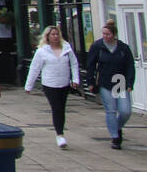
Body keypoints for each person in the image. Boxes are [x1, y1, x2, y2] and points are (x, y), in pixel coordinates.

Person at [23, 25, 79, 148]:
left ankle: (60, 132)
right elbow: (34, 68)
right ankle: (60, 135)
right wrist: (29, 86)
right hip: (50, 84)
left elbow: (74, 64)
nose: (55, 36)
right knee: (56, 107)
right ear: (47, 37)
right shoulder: (42, 51)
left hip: (64, 82)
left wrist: (75, 79)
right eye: (52, 34)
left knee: (61, 108)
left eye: (57, 34)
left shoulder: (66, 48)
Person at [86, 20, 136, 149]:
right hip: (105, 82)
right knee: (111, 110)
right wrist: (90, 82)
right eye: (103, 34)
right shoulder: (97, 47)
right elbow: (91, 65)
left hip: (120, 81)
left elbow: (130, 65)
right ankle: (115, 137)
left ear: (114, 34)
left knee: (125, 111)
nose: (105, 36)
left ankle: (117, 127)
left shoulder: (123, 48)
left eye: (108, 34)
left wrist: (130, 82)